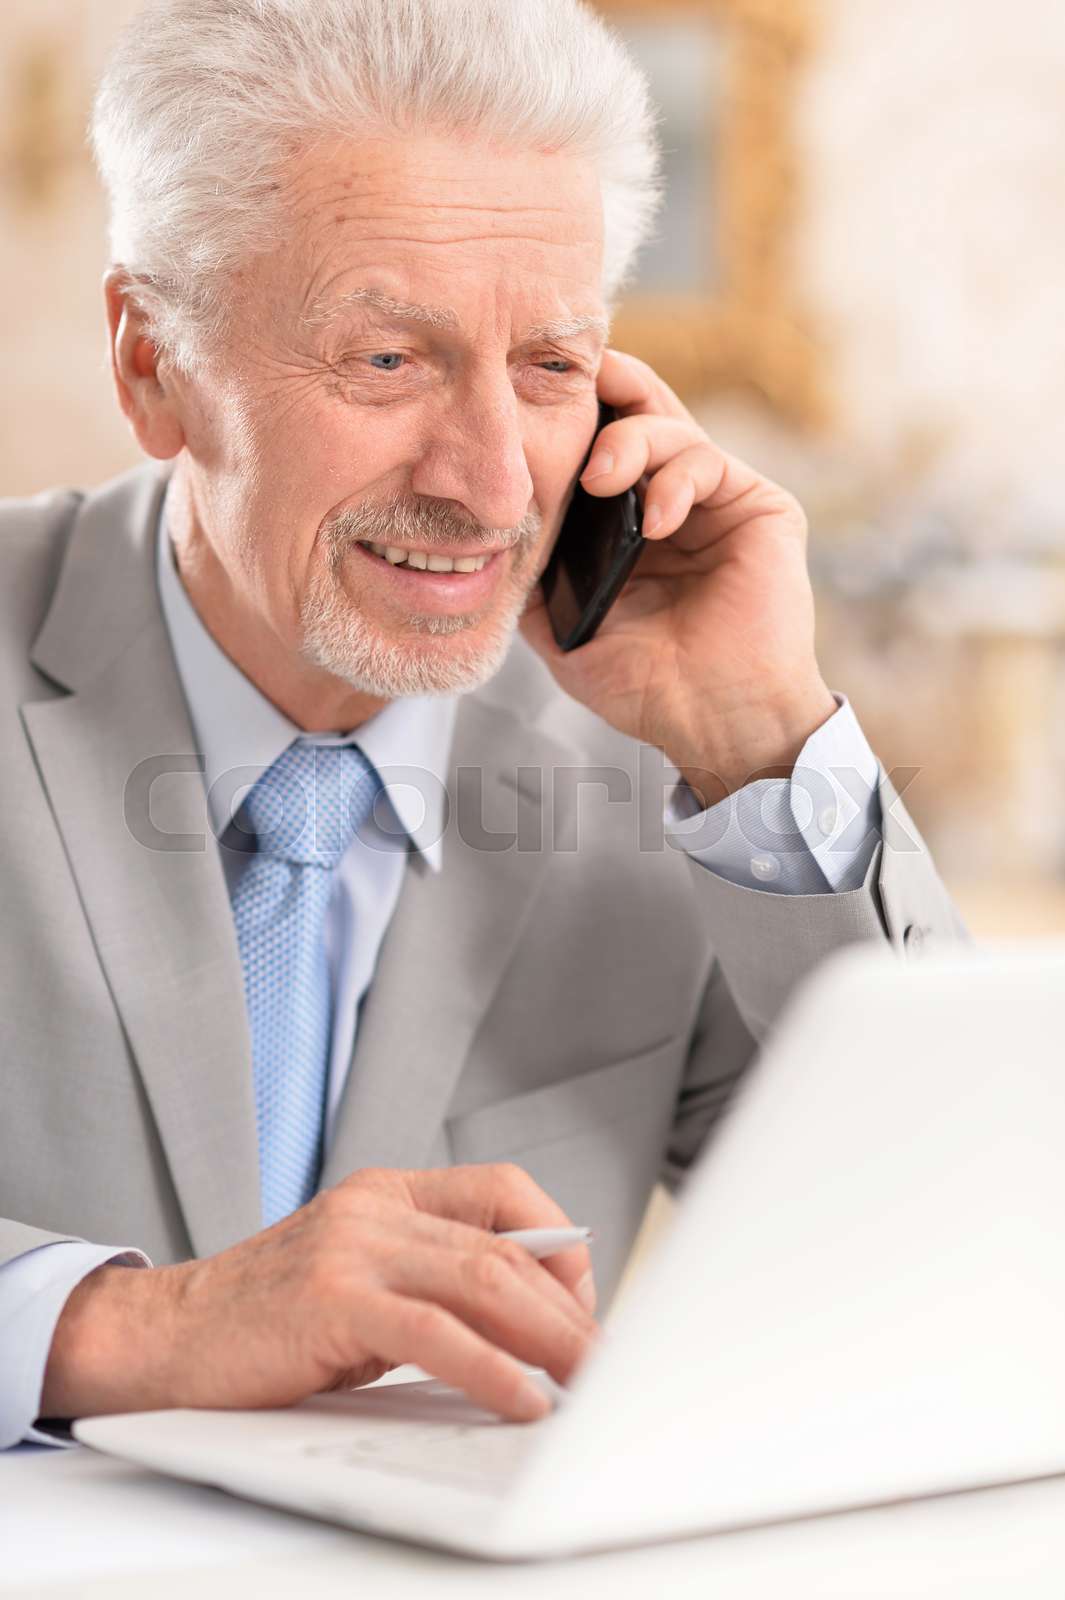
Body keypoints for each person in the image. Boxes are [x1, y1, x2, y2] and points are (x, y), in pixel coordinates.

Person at [0, 0, 963, 1448]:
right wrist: (131, 1327)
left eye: (550, 368)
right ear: (153, 364)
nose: (492, 486)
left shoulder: (679, 752)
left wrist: (759, 738)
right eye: (387, 360)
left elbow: (958, 1251)